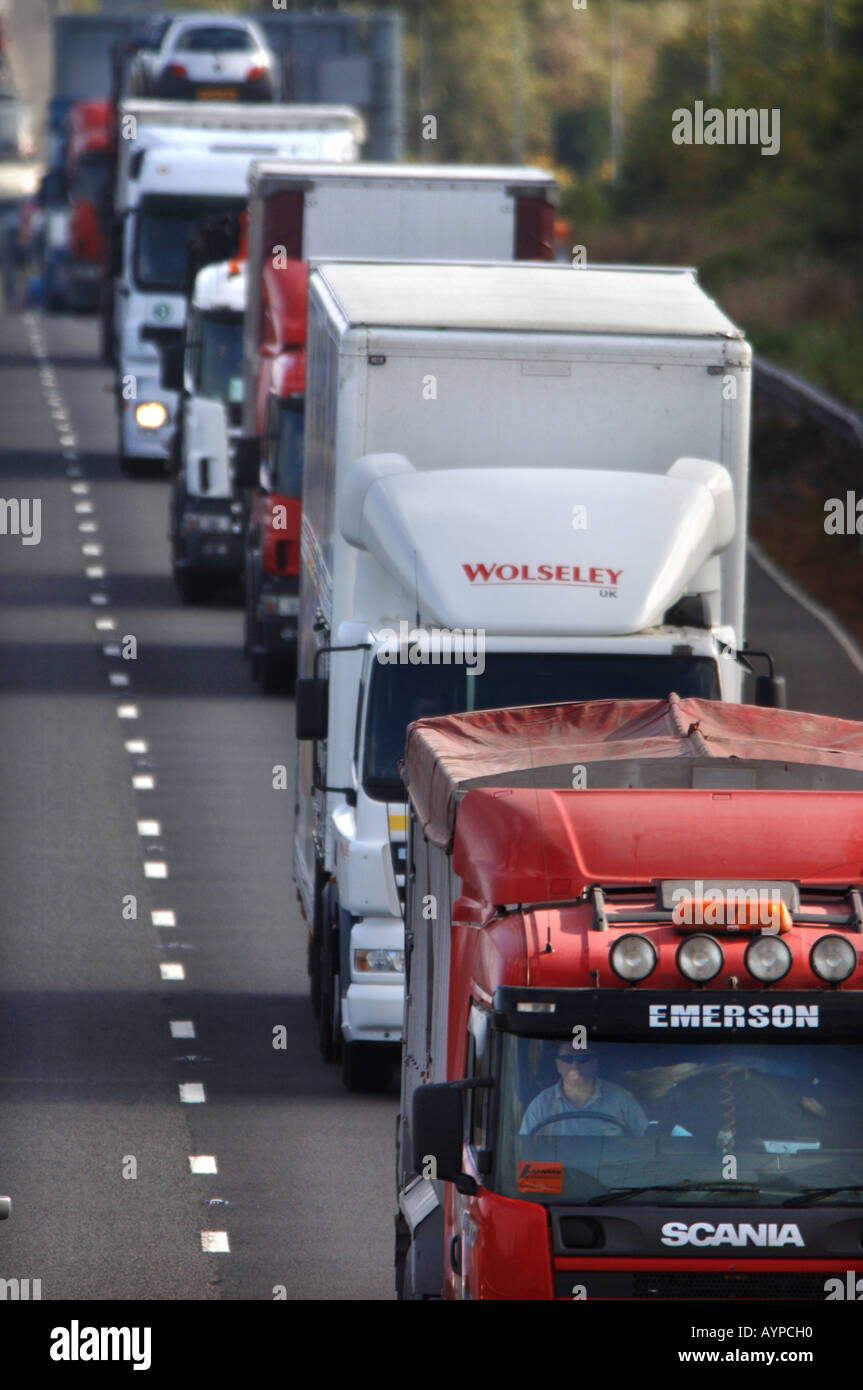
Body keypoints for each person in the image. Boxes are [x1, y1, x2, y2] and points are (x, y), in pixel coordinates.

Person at [520, 1044, 649, 1137]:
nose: (575, 1065)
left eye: (582, 1059)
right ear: (558, 1065)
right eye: (567, 1059)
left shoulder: (621, 1099)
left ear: (594, 1063)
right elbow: (526, 1149)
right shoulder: (541, 1105)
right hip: (561, 1173)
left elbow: (643, 1141)